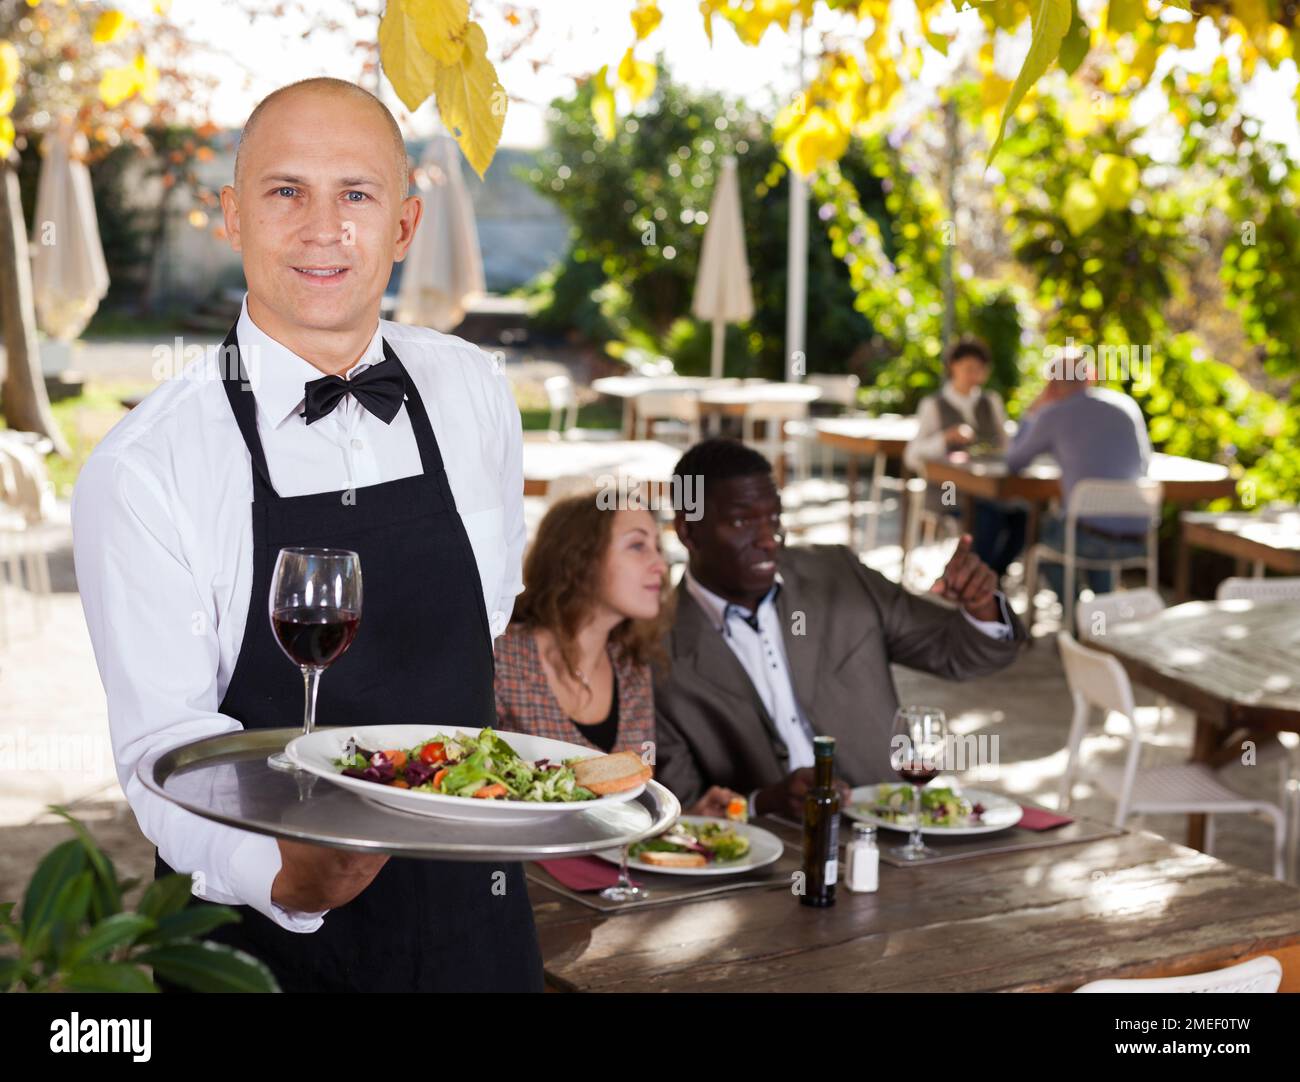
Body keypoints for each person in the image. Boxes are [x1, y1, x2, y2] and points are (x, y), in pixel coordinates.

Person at [73, 78, 543, 992]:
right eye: (285, 191)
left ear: (405, 227)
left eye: (356, 195)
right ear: (232, 215)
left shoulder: (475, 393)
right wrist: (287, 875)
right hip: (259, 947)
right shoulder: (145, 467)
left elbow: (482, 626)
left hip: (475, 927)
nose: (323, 229)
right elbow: (161, 753)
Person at [653, 439, 1026, 820]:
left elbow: (958, 653)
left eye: (774, 519)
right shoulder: (655, 649)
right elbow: (679, 809)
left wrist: (981, 607)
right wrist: (760, 803)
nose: (768, 540)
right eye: (742, 521)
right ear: (689, 531)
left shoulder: (838, 574)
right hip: (769, 853)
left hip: (891, 826)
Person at [494, 494, 742, 817]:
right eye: (637, 546)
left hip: (608, 863)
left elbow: (624, 811)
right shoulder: (503, 657)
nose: (659, 565)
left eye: (658, 548)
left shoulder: (630, 666)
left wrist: (690, 818)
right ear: (579, 557)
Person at [1005, 351, 1152, 599]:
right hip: (1138, 534)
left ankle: (1077, 621)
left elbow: (1014, 462)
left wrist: (1032, 412)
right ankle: (1099, 619)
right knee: (1089, 530)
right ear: (1090, 377)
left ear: (1051, 384)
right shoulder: (1126, 406)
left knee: (1046, 545)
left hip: (1087, 536)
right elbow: (1143, 464)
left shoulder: (1052, 415)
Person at [904, 336, 1026, 576]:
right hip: (949, 493)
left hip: (989, 489)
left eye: (979, 369)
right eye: (968, 368)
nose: (974, 375)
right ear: (953, 367)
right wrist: (945, 438)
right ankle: (970, 580)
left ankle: (990, 577)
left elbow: (1008, 445)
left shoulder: (991, 402)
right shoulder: (934, 405)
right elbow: (912, 456)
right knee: (987, 518)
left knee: (1021, 517)